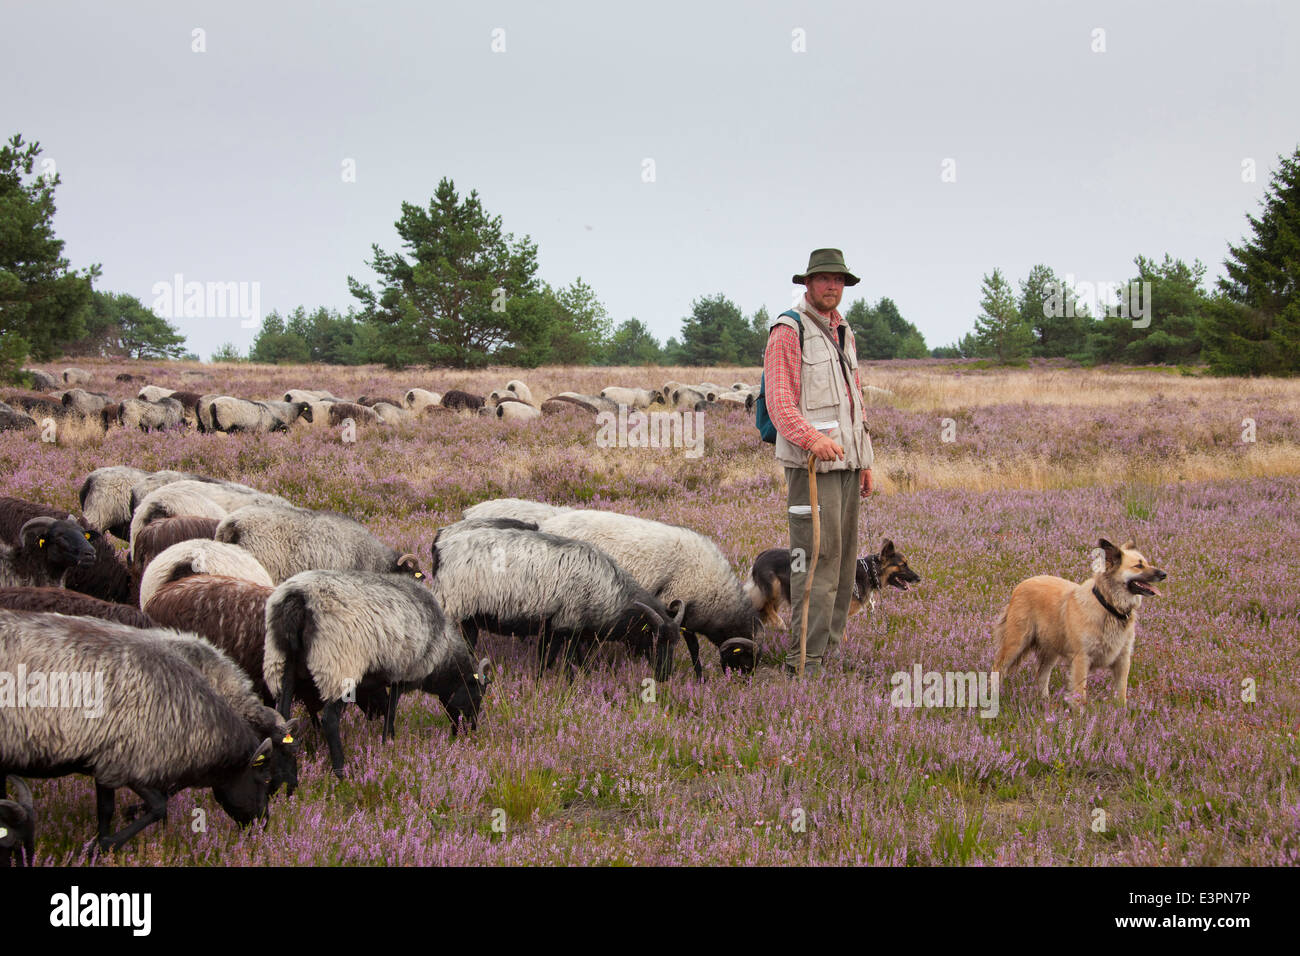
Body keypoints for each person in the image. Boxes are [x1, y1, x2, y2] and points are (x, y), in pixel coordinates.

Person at [763, 248, 874, 677]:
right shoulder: (789, 330)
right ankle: (802, 663)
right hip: (810, 468)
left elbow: (855, 402)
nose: (833, 287)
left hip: (846, 466)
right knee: (813, 561)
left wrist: (864, 460)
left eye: (839, 280)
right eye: (825, 279)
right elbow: (779, 401)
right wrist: (812, 440)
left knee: (844, 564)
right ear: (807, 284)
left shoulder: (844, 331)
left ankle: (825, 654)